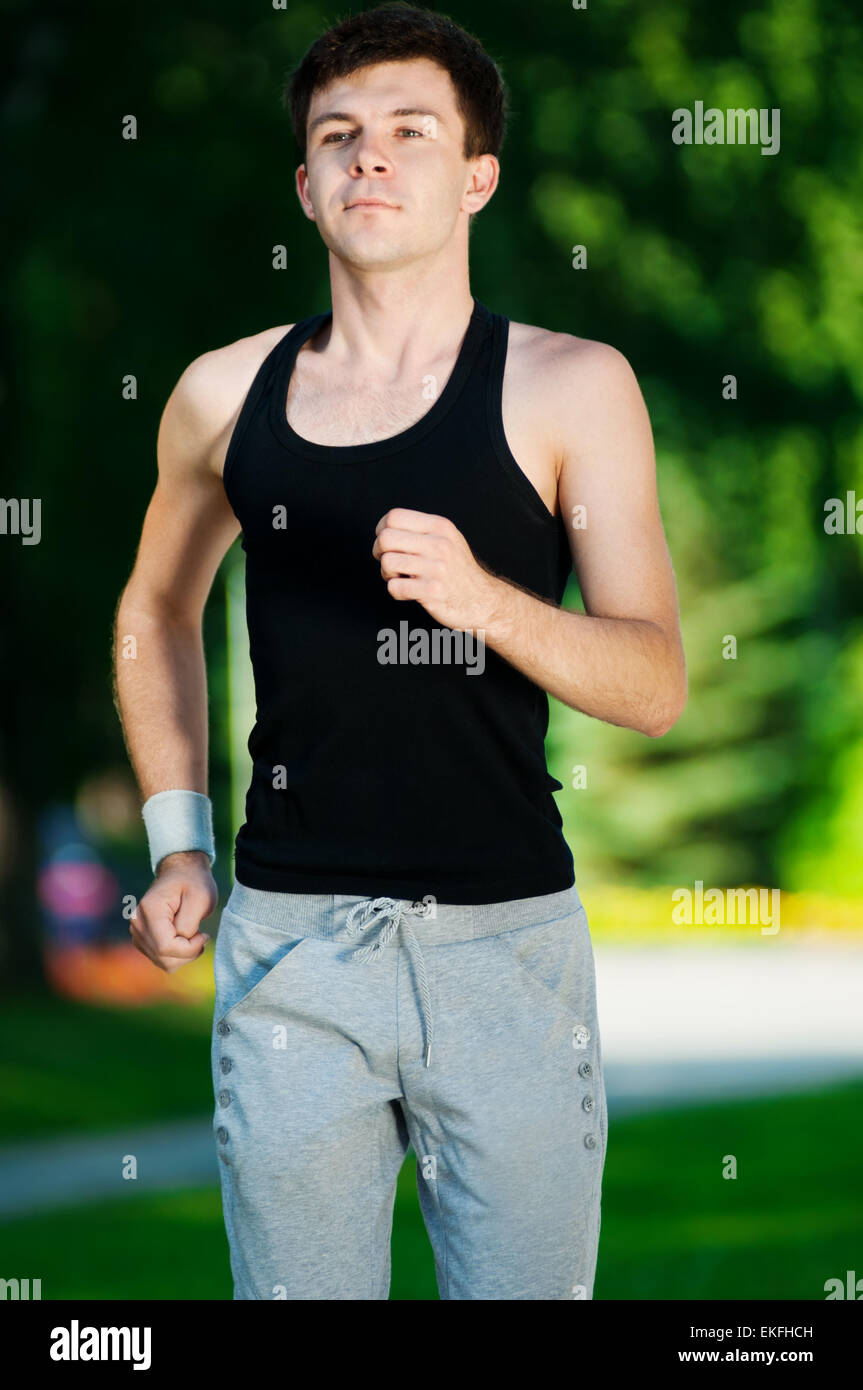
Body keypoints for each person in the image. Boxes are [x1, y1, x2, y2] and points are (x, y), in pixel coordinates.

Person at [113, 1, 686, 1301]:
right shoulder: (224, 395)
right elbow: (155, 607)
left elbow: (654, 681)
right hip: (291, 944)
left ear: (476, 175)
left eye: (410, 131)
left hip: (507, 949)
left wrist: (485, 600)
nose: (371, 156)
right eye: (340, 135)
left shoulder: (570, 385)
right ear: (305, 187)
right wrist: (178, 839)